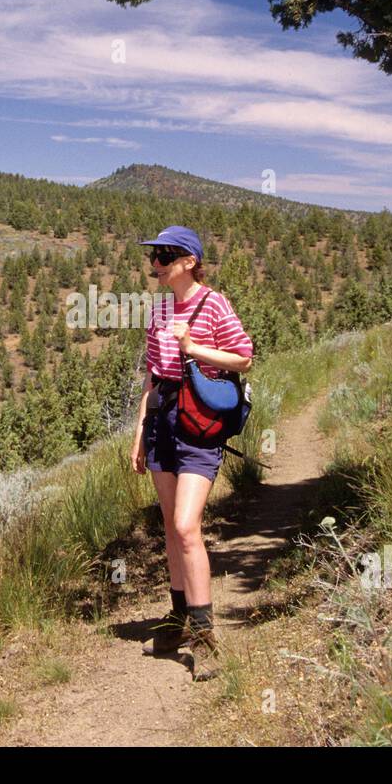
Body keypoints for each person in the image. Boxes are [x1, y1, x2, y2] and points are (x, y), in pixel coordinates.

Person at [130, 226, 253, 680]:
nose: (155, 263)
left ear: (188, 261)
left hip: (199, 423)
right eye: (154, 255)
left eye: (164, 255)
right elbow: (151, 376)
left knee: (186, 526)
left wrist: (194, 348)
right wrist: (139, 432)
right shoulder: (159, 309)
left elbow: (243, 357)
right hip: (162, 420)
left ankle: (206, 636)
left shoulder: (213, 304)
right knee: (169, 525)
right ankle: (178, 620)